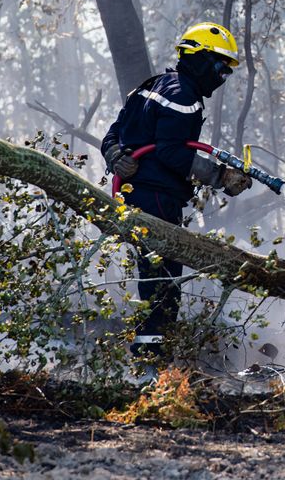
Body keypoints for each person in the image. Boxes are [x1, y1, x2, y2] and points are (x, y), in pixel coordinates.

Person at [100, 22, 253, 354]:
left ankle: (151, 356)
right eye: (220, 66)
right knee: (163, 283)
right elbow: (171, 152)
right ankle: (153, 364)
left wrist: (114, 154)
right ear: (199, 57)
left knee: (154, 276)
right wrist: (220, 177)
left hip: (134, 197)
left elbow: (112, 136)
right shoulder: (184, 94)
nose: (222, 75)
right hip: (157, 197)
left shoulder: (150, 87)